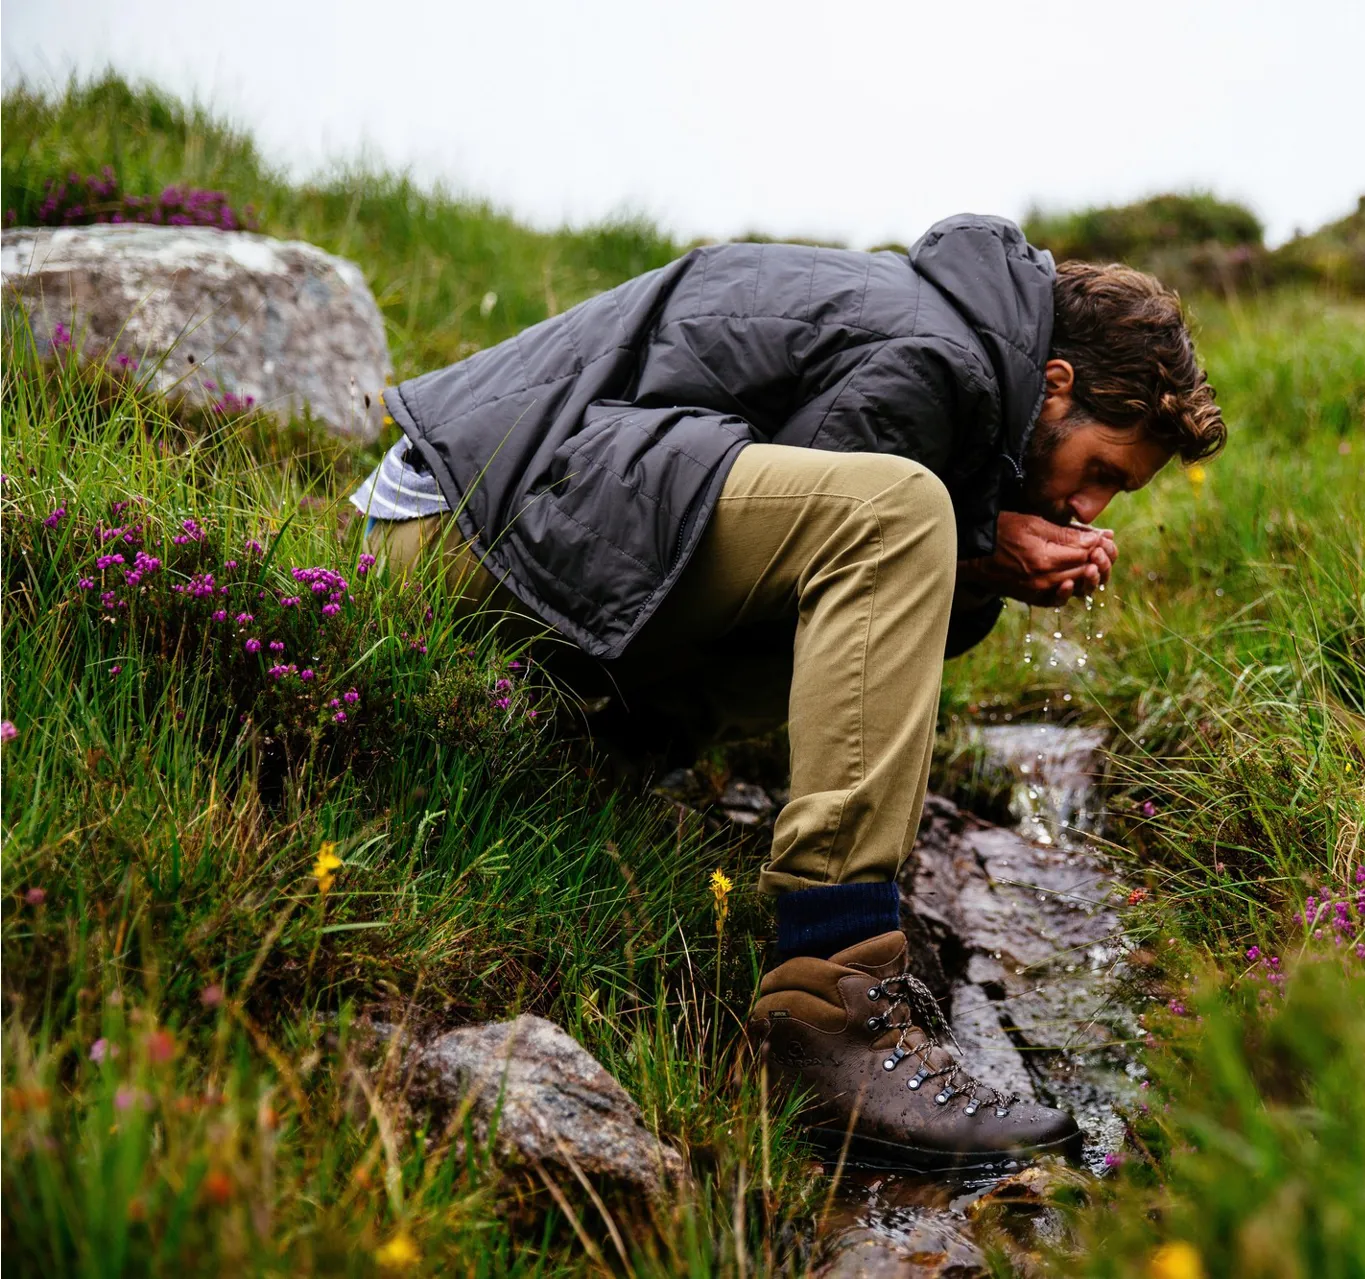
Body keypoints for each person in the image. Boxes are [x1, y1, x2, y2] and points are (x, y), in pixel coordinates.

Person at [351, 214, 1225, 1169]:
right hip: (457, 523)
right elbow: (845, 525)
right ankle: (834, 1001)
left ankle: (596, 763)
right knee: (903, 518)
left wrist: (976, 565)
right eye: (1100, 471)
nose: (1089, 509)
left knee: (935, 579)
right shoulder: (939, 357)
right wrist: (979, 546)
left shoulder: (946, 336)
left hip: (512, 515)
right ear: (1055, 384)